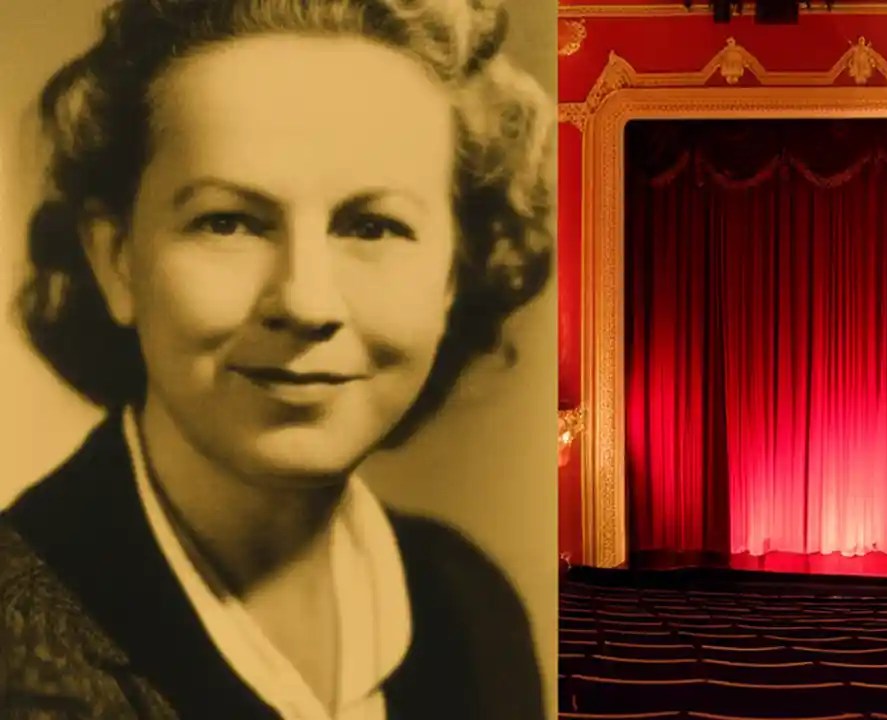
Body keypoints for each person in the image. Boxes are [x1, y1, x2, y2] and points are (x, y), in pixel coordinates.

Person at [0, 0, 553, 718]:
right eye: (227, 221)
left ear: (453, 274)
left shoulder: (471, 605)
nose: (305, 301)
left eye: (372, 226)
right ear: (117, 263)